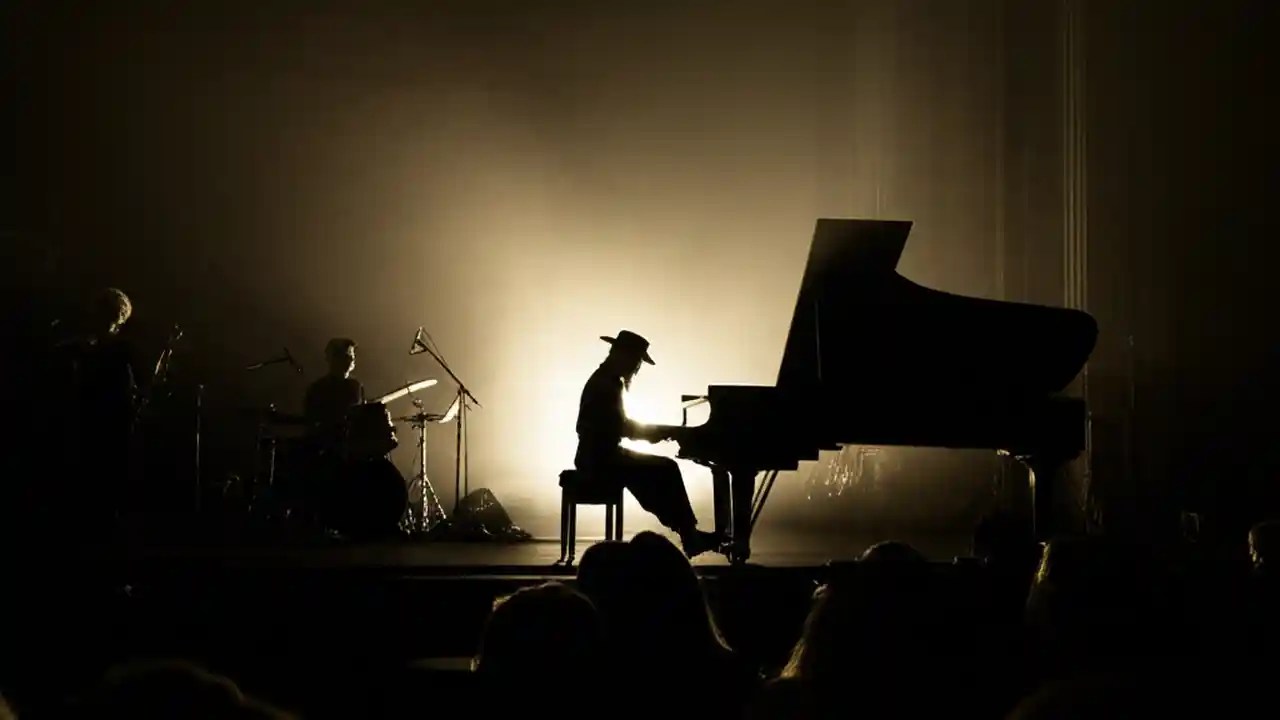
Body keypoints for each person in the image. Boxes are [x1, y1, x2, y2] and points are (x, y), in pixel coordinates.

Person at [574, 330, 720, 557]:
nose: (636, 368)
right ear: (621, 355)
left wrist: (659, 432)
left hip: (600, 454)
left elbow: (620, 426)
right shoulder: (605, 385)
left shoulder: (606, 380)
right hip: (599, 459)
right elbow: (623, 428)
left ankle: (688, 532)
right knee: (665, 469)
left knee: (660, 471)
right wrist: (661, 432)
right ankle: (689, 534)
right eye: (635, 362)